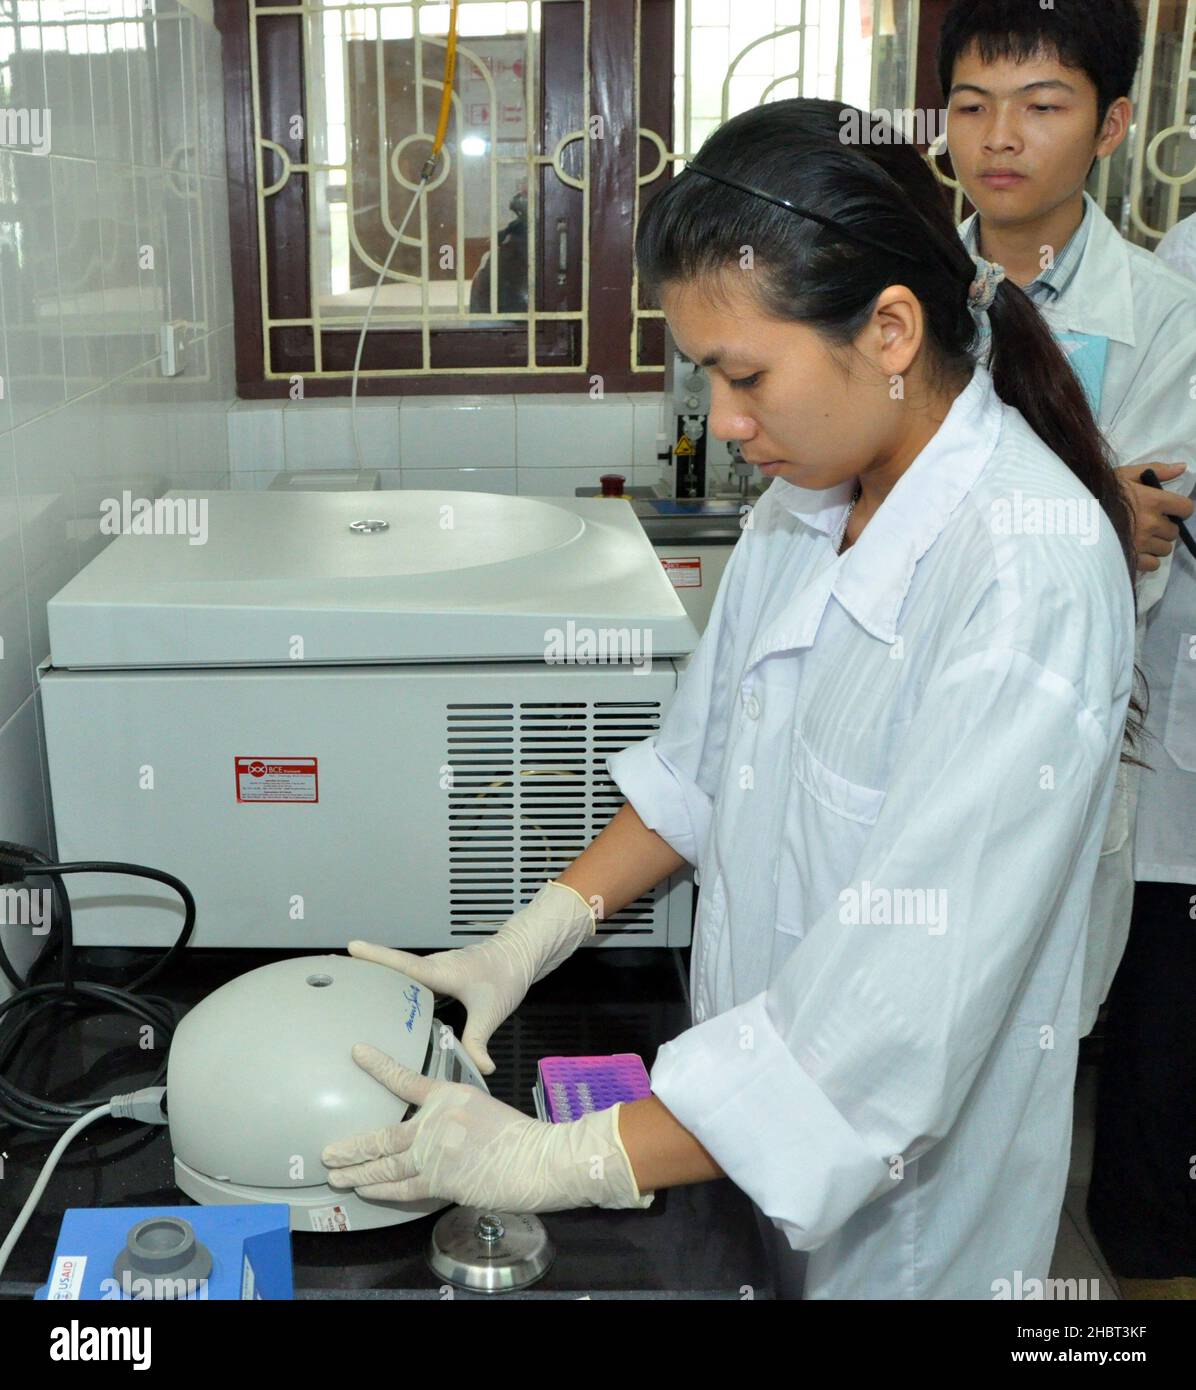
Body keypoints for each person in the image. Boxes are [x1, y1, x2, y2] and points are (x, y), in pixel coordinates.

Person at [321, 97, 1138, 1299]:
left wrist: (561, 1157)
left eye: (744, 373)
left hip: (900, 1231)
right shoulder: (803, 506)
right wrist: (522, 941)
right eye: (705, 374)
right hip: (731, 1146)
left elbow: (884, 1037)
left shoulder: (1025, 579)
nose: (725, 422)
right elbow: (700, 773)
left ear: (892, 329)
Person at [936, 0, 1196, 1034]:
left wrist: (943, 510)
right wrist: (1087, 497)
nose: (998, 138)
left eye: (1040, 106)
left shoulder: (1162, 314)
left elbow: (1132, 552)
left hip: (1064, 732)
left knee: (1029, 1053)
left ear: (1112, 123)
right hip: (913, 721)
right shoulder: (890, 292)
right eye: (970, 105)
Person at [1085, 212, 1196, 1298]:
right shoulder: (1183, 270)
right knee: (1166, 1022)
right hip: (1169, 738)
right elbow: (1154, 503)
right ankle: (1148, 1258)